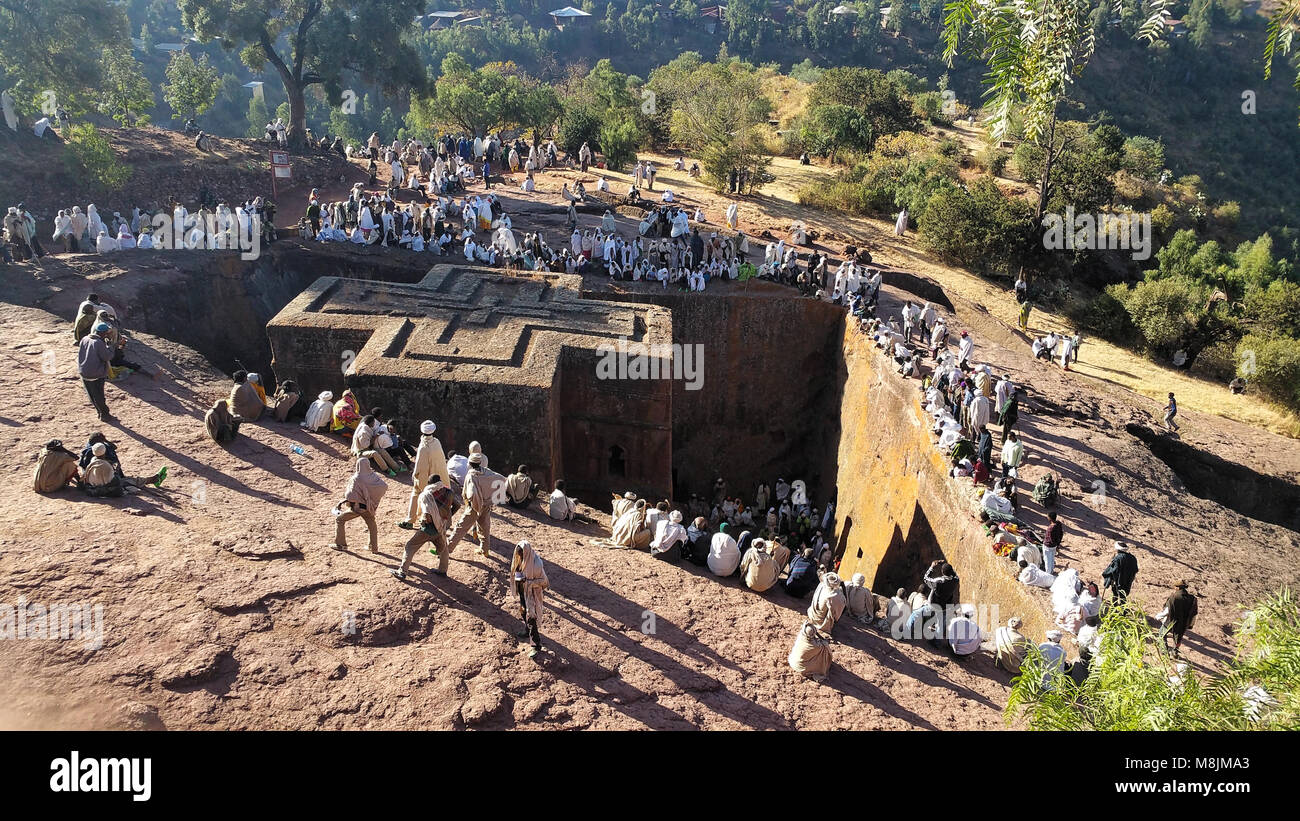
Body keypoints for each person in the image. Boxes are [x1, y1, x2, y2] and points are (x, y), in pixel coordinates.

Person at [392, 474, 455, 579]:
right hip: (441, 527)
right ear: (440, 481)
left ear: (429, 483)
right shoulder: (449, 492)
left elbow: (427, 515)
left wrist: (427, 521)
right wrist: (446, 516)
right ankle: (442, 570)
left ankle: (402, 572)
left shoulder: (426, 494)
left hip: (428, 529)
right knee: (444, 549)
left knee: (410, 546)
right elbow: (457, 505)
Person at [444, 453, 496, 559]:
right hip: (486, 505)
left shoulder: (471, 475)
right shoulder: (487, 472)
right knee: (484, 528)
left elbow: (471, 492)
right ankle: (485, 550)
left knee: (460, 527)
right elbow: (498, 480)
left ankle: (447, 549)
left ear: (470, 463)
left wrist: (471, 502)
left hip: (474, 506)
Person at [331, 460, 387, 553]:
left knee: (340, 520)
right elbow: (384, 486)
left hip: (358, 508)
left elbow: (350, 496)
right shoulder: (373, 476)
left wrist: (343, 502)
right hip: (369, 507)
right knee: (372, 525)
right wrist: (370, 500)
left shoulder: (356, 478)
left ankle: (341, 545)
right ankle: (374, 548)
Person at [511, 540, 550, 657]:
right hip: (523, 593)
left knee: (531, 618)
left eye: (521, 554)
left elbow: (545, 582)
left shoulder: (536, 564)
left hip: (532, 595)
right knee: (523, 612)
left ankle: (536, 645)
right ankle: (527, 631)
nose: (519, 557)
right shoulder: (519, 560)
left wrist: (529, 582)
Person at [77, 323, 115, 422]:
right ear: (103, 333)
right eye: (107, 333)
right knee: (99, 395)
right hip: (96, 374)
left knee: (91, 394)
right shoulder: (98, 342)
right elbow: (107, 357)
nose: (108, 334)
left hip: (84, 371)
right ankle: (104, 415)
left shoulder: (85, 339)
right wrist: (110, 347)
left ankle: (99, 412)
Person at [1160, 580, 1199, 657]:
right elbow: (1194, 613)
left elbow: (1167, 610)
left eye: (1175, 586)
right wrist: (1191, 624)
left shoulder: (1174, 597)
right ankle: (1175, 652)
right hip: (1183, 622)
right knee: (1178, 638)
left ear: (1178, 588)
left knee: (1162, 634)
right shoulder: (1192, 599)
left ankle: (1164, 651)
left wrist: (1159, 616)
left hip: (1171, 621)